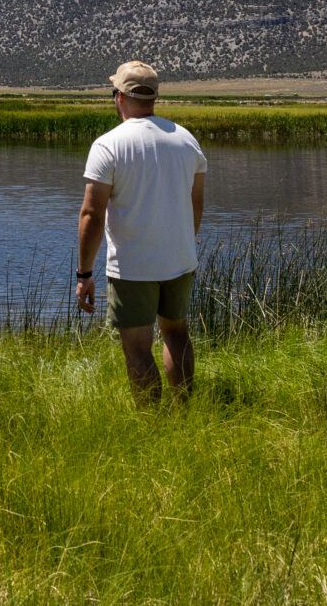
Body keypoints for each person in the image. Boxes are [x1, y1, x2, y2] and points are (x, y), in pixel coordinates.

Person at [74, 60, 206, 404]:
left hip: (133, 265)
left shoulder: (108, 145)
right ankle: (183, 414)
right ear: (154, 97)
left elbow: (91, 213)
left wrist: (84, 273)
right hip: (180, 259)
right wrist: (185, 246)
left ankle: (150, 424)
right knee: (176, 334)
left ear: (119, 96)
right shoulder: (186, 140)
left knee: (136, 346)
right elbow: (196, 204)